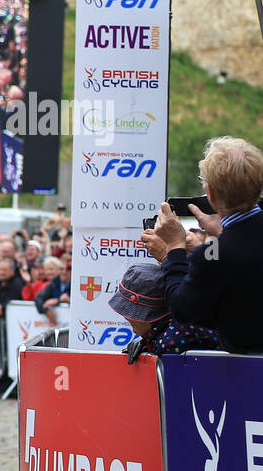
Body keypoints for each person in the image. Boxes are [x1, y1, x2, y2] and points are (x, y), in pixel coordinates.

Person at [142, 136, 263, 353]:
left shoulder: (214, 253)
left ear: (211, 194)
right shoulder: (215, 249)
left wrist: (174, 248)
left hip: (247, 375)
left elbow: (182, 309)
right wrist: (218, 236)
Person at [108, 263, 218, 358]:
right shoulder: (175, 323)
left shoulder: (173, 341)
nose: (125, 316)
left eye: (130, 315)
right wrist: (148, 343)